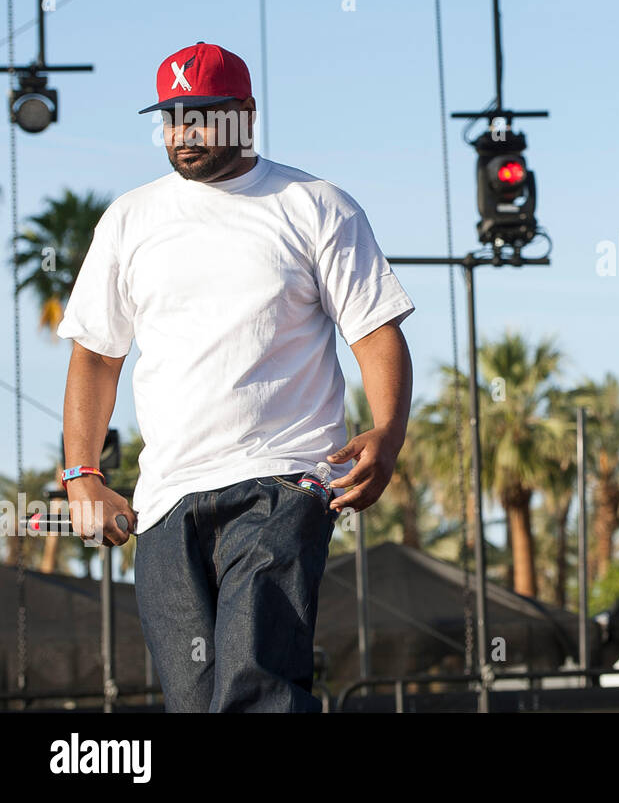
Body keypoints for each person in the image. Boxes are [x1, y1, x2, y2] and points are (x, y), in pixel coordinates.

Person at [57, 42, 415, 712]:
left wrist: (387, 433)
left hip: (283, 479)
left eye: (201, 115)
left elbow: (374, 331)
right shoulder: (131, 220)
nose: (183, 132)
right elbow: (96, 357)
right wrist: (83, 474)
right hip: (167, 498)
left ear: (245, 113)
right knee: (196, 702)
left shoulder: (315, 204)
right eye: (172, 117)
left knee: (256, 684)